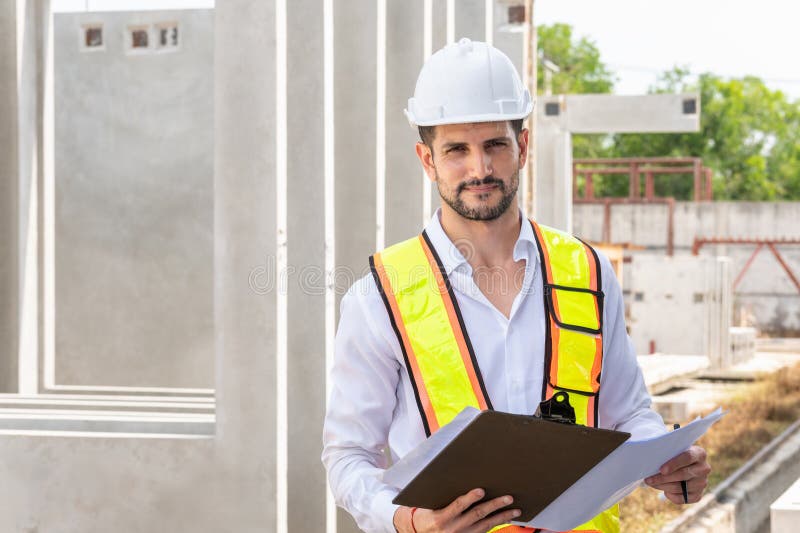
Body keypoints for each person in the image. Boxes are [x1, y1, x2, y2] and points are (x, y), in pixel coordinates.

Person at [322, 38, 710, 533]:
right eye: (457, 150)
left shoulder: (586, 271)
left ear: (522, 147)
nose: (479, 169)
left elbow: (629, 412)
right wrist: (410, 522)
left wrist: (666, 460)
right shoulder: (380, 295)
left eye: (494, 145)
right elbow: (348, 456)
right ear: (427, 159)